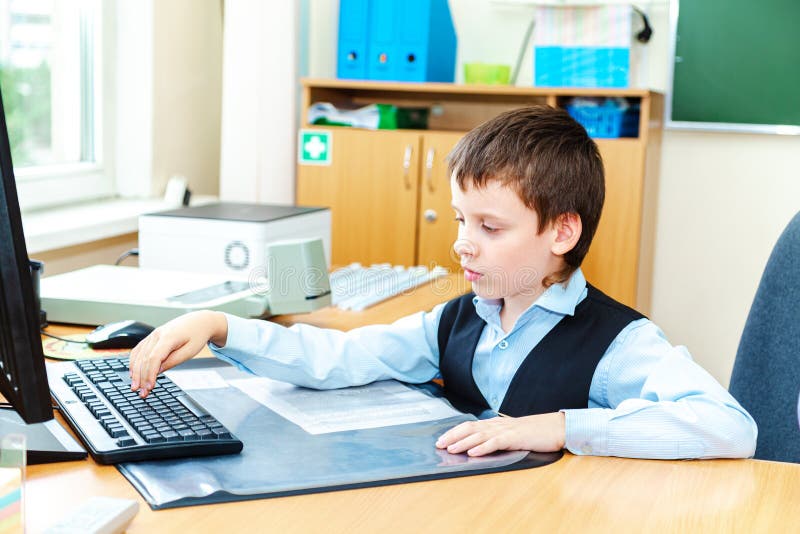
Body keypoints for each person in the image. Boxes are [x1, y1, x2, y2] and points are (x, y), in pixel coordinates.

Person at [129, 106, 757, 459]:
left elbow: (730, 427)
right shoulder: (458, 320)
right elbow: (342, 357)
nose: (461, 241)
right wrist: (220, 326)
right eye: (461, 219)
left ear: (562, 233)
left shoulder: (617, 341)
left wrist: (562, 426)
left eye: (489, 225)